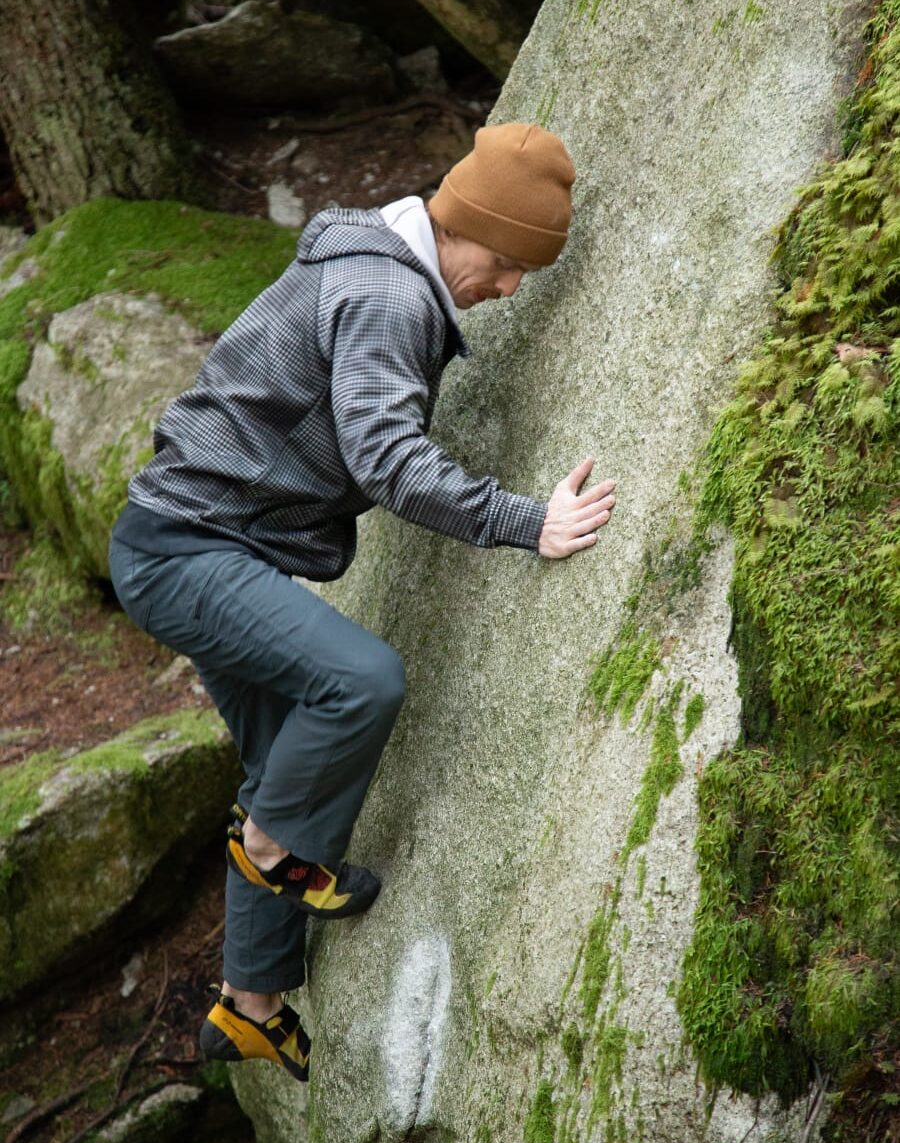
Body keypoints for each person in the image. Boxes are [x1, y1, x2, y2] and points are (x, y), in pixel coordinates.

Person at [107, 122, 616, 1083]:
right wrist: (525, 521)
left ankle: (250, 1003)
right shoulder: (386, 294)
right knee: (361, 681)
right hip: (189, 553)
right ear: (468, 228)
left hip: (201, 546)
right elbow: (388, 462)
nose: (509, 290)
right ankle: (275, 846)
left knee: (278, 764)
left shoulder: (369, 258)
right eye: (508, 264)